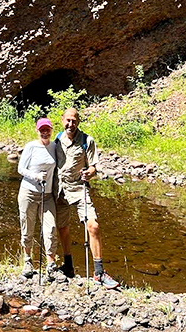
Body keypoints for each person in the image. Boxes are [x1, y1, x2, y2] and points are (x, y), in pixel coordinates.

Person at [54, 107, 119, 289]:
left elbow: (93, 167)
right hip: (59, 189)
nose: (70, 124)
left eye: (74, 121)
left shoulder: (87, 141)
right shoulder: (57, 139)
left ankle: (99, 273)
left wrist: (89, 173)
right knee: (63, 227)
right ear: (62, 120)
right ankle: (68, 266)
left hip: (78, 188)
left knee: (94, 226)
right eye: (68, 120)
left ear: (78, 122)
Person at [17, 117, 59, 278]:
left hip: (47, 195)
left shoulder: (55, 146)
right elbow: (20, 168)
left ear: (51, 130)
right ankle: (27, 261)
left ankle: (51, 264)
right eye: (42, 129)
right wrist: (35, 176)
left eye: (47, 129)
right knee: (27, 228)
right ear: (37, 130)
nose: (45, 132)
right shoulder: (31, 147)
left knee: (51, 229)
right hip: (28, 193)